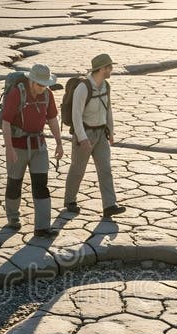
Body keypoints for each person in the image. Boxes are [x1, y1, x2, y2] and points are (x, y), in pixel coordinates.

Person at [1, 64, 64, 237]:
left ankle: (42, 227)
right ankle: (13, 218)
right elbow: (6, 122)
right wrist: (9, 148)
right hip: (18, 146)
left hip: (39, 145)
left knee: (41, 184)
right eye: (39, 84)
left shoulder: (47, 94)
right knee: (15, 183)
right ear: (31, 81)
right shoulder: (17, 93)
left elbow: (52, 119)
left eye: (45, 84)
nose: (42, 87)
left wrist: (59, 142)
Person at [63, 53, 126, 218]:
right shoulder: (83, 88)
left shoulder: (106, 86)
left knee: (105, 169)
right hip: (85, 133)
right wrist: (82, 138)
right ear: (102, 69)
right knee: (78, 169)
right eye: (109, 67)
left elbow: (108, 110)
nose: (111, 70)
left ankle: (109, 205)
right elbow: (76, 115)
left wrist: (111, 131)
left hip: (101, 133)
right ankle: (70, 201)